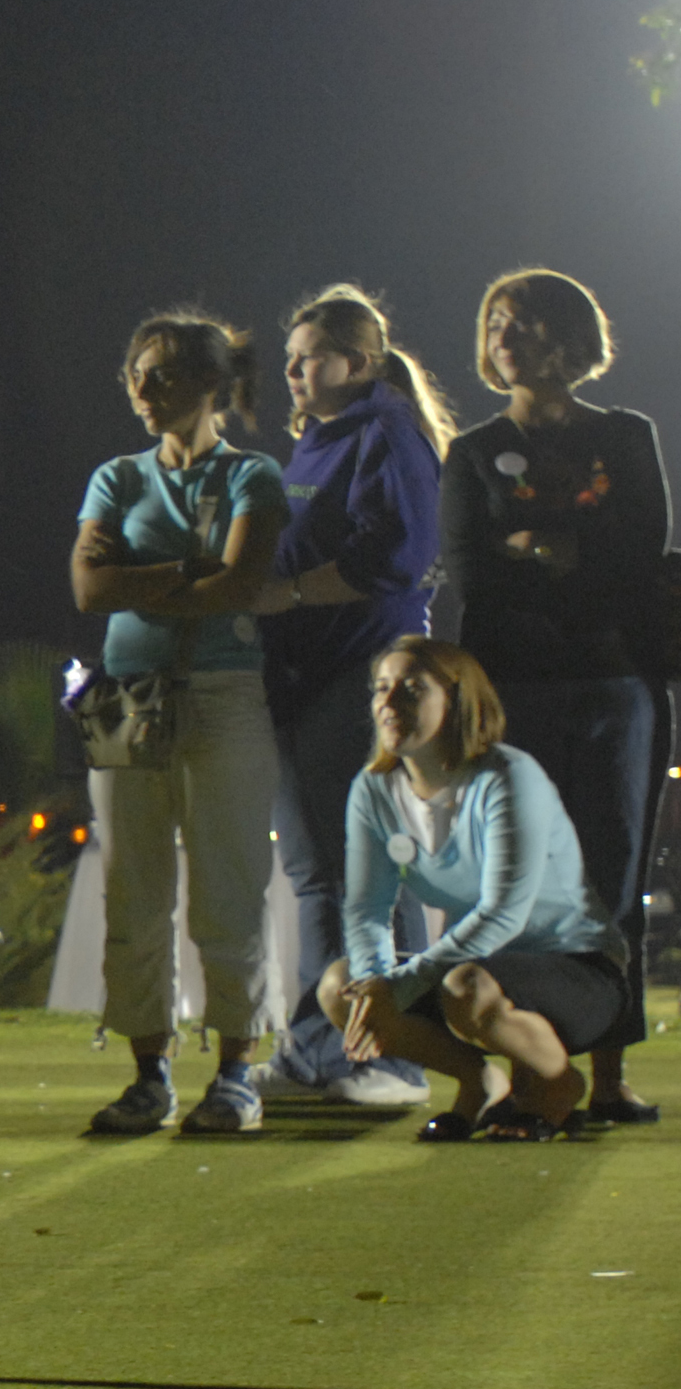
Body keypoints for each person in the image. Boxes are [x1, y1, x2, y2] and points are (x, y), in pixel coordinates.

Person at [439, 269, 670, 1124]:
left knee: (612, 881)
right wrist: (556, 557)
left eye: (526, 321)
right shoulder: (470, 452)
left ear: (571, 340)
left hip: (618, 684)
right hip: (516, 691)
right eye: (495, 320)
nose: (506, 333)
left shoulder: (628, 436)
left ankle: (607, 1076)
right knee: (519, 883)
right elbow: (473, 573)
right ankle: (531, 1071)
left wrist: (540, 549)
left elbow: (642, 549)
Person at [70, 313, 288, 1135]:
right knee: (133, 891)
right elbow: (89, 591)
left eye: (161, 374)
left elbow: (241, 587)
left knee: (228, 889)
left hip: (224, 693)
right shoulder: (116, 476)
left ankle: (236, 1068)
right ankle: (148, 1071)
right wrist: (188, 570)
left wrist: (138, 576)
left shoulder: (251, 474)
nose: (144, 389)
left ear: (211, 383)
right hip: (129, 692)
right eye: (137, 373)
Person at [250, 285, 454, 1109]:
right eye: (290, 360)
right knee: (326, 871)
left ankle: (377, 1057)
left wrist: (288, 595)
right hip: (306, 678)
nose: (294, 372)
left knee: (356, 873)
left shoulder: (385, 431)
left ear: (359, 362)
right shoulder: (318, 441)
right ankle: (328, 1051)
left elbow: (393, 558)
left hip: (360, 673)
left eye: (311, 357)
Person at [323, 638, 624, 1142]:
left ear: (457, 700)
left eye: (412, 689)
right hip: (479, 967)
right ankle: (481, 1083)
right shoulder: (374, 788)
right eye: (381, 689)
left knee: (464, 987)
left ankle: (557, 1086)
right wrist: (375, 982)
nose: (389, 703)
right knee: (341, 987)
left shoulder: (508, 777)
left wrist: (397, 987)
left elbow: (504, 913)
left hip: (578, 967)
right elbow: (366, 909)